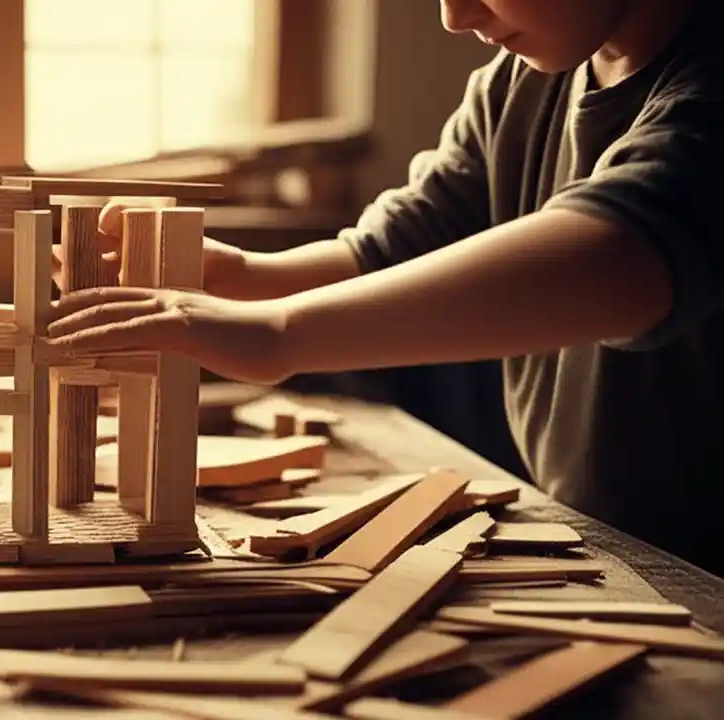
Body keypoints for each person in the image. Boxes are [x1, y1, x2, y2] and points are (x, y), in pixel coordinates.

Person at [47, 0, 723, 574]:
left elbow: (616, 258)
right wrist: (243, 281)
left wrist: (279, 335)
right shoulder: (519, 84)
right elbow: (388, 253)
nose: (454, 17)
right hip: (616, 549)